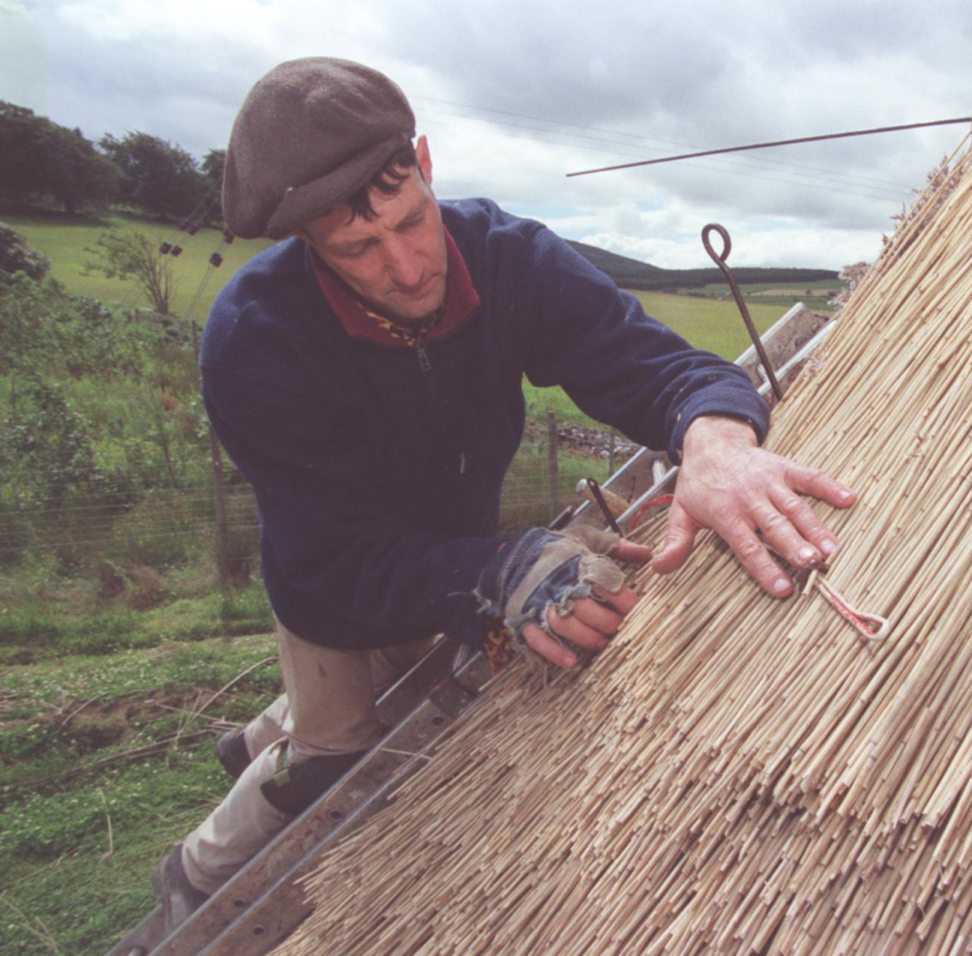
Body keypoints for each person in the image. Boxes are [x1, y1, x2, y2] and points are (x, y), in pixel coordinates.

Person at [116, 56, 854, 952]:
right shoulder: (255, 342)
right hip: (339, 580)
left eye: (411, 218)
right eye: (358, 248)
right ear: (306, 242)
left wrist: (713, 441)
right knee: (337, 748)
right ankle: (197, 863)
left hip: (453, 543)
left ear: (424, 162)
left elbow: (655, 367)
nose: (406, 263)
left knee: (415, 652)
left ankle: (271, 720)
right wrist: (500, 567)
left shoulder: (507, 258)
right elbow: (334, 567)